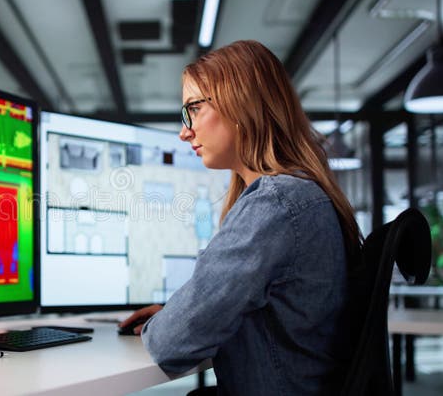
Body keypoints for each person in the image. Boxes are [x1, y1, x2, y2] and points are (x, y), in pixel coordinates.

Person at [119, 40, 362, 395]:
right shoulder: (303, 195)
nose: (184, 131)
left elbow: (171, 343)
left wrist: (169, 322)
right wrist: (174, 313)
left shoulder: (275, 204)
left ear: (241, 104)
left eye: (194, 109)